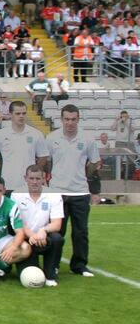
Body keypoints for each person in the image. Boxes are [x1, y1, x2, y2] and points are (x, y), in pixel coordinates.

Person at [46, 104, 100, 277]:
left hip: (80, 192)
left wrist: (84, 175)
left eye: (73, 119)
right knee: (57, 232)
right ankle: (53, 265)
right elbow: (46, 161)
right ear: (61, 119)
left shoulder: (88, 139)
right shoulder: (51, 138)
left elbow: (94, 163)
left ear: (78, 119)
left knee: (81, 232)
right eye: (67, 119)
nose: (70, 123)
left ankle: (79, 265)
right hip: (57, 193)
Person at [12, 165, 65, 286]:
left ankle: (50, 273)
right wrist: (32, 235)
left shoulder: (54, 195)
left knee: (57, 238)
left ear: (44, 178)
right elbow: (17, 223)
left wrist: (43, 231)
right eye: (31, 178)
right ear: (25, 178)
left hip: (44, 237)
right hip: (25, 237)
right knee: (28, 275)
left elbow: (57, 224)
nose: (34, 182)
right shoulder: (16, 195)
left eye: (38, 178)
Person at [0, 100, 49, 195]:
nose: (21, 116)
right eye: (18, 113)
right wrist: (1, 174)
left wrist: (34, 174)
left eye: (24, 113)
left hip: (29, 186)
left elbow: (43, 157)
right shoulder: (0, 135)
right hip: (8, 185)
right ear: (10, 114)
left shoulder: (36, 134)